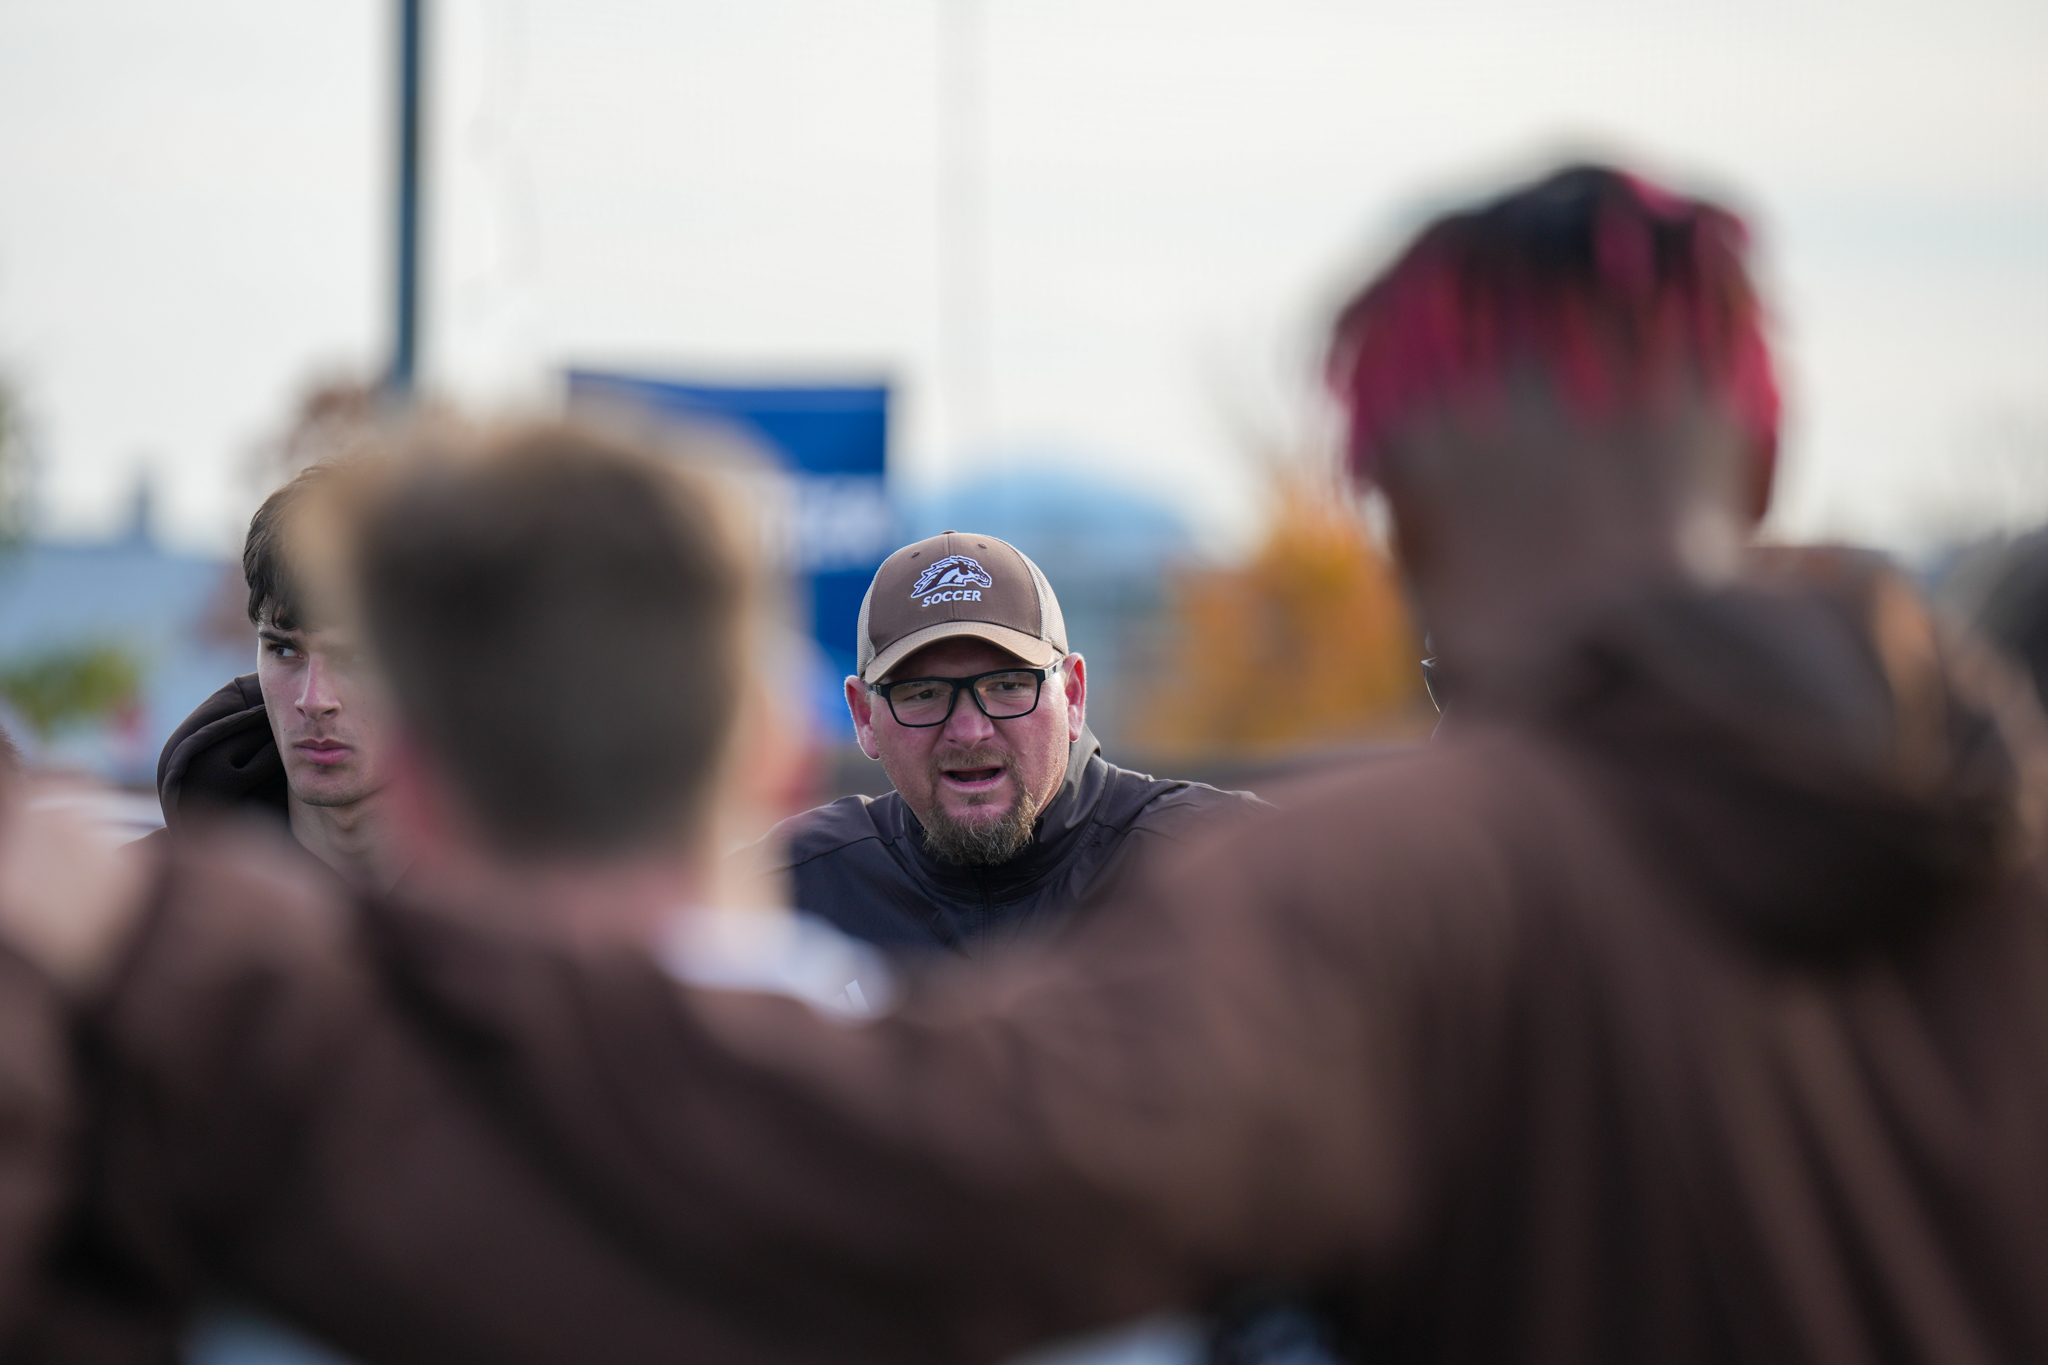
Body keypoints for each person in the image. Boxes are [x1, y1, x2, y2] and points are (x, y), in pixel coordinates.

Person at [12, 161, 2048, 1365]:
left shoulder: (1401, 878)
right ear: (1764, 451)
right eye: (932, 692)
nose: (971, 728)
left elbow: (918, 1186)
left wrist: (177, 944)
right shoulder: (2009, 847)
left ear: (1386, 494)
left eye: (1009, 689)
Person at [765, 529, 1263, 954]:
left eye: (1007, 686)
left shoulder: (1225, 863)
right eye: (922, 694)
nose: (968, 731)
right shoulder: (788, 894)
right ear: (864, 717)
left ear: (1071, 694)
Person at [153, 461, 402, 890]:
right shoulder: (145, 904)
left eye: (357, 658)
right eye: (284, 649)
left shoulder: (534, 914)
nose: (315, 698)